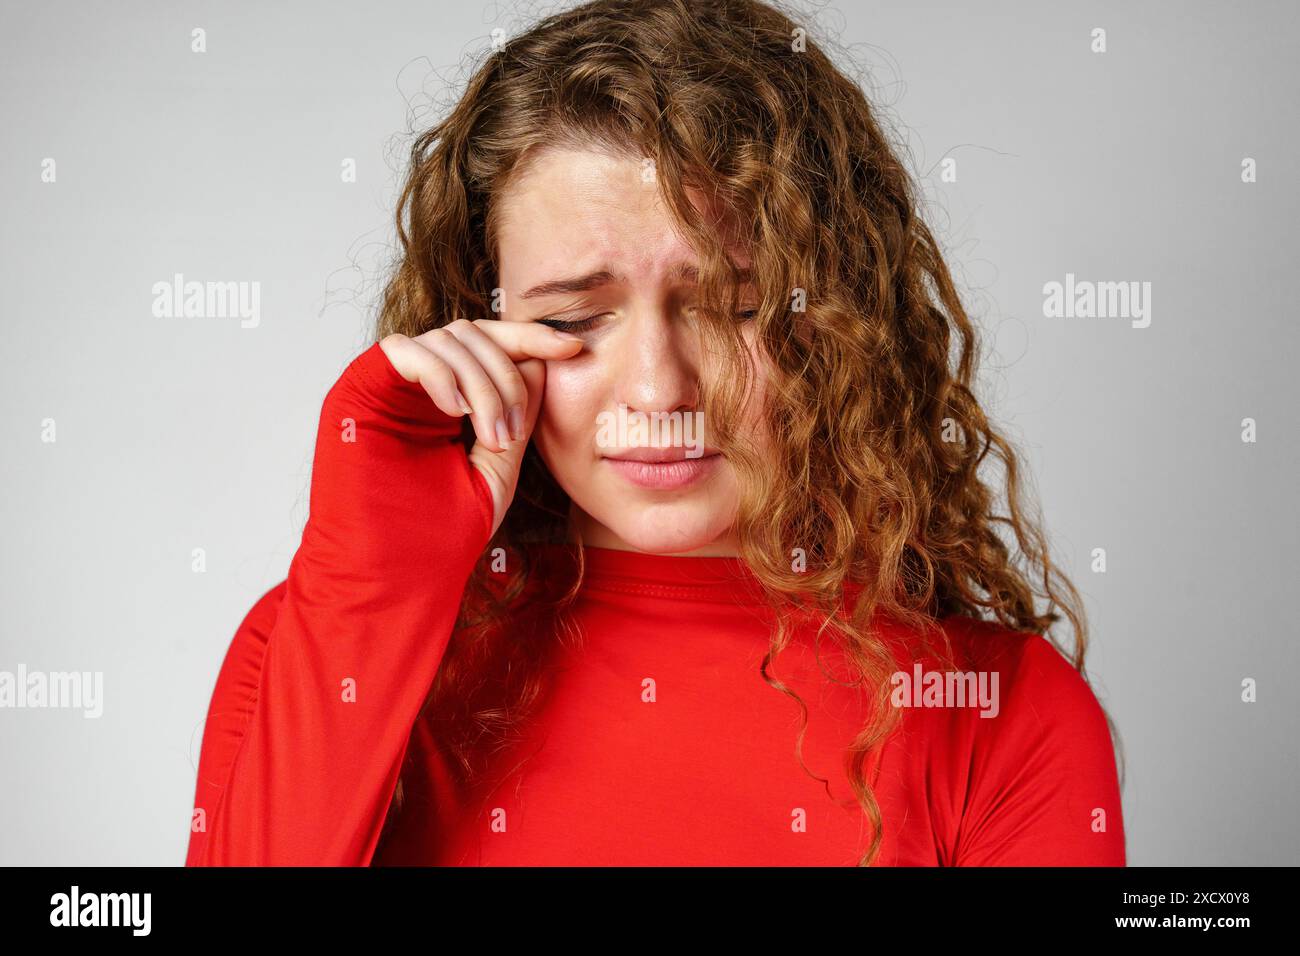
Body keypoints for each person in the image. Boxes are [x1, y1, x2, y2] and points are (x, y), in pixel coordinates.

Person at [185, 0, 1125, 866]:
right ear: (482, 326)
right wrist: (370, 596)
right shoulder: (304, 646)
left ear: (837, 320)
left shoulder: (1003, 714)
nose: (657, 385)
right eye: (571, 320)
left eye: (734, 307)